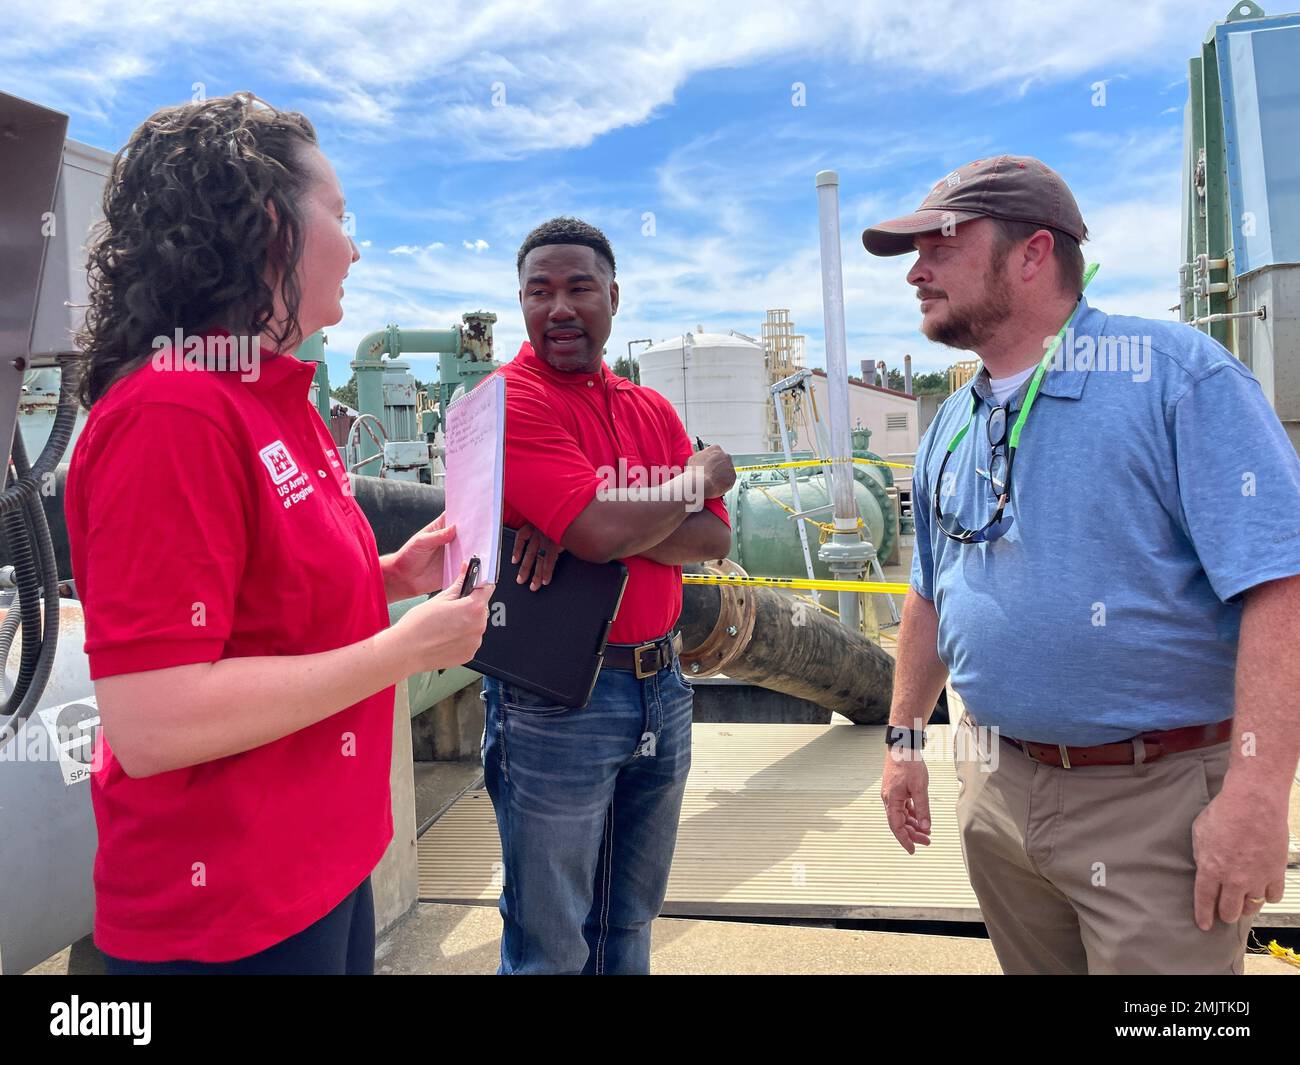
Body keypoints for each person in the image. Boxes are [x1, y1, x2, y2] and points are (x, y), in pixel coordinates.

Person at [66, 92, 493, 975]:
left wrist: (389, 576)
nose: (356, 243)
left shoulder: (270, 402)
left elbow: (259, 607)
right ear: (271, 224)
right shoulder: (173, 410)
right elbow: (154, 717)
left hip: (322, 875)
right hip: (225, 922)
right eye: (338, 215)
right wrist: (404, 652)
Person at [869, 155, 1300, 974]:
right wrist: (902, 741)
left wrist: (1256, 794)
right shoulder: (950, 425)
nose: (917, 271)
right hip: (998, 794)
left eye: (942, 244)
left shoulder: (1175, 381)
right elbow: (929, 593)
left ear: (1033, 254)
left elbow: (1282, 584)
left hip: (1156, 805)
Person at [480, 216, 735, 974]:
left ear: (613, 297)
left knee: (628, 924)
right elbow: (599, 529)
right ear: (521, 304)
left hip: (664, 684)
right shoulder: (508, 399)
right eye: (539, 291)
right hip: (555, 703)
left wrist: (593, 522)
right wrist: (692, 481)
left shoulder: (651, 408)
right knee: (550, 940)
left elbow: (713, 542)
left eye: (579, 287)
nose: (558, 307)